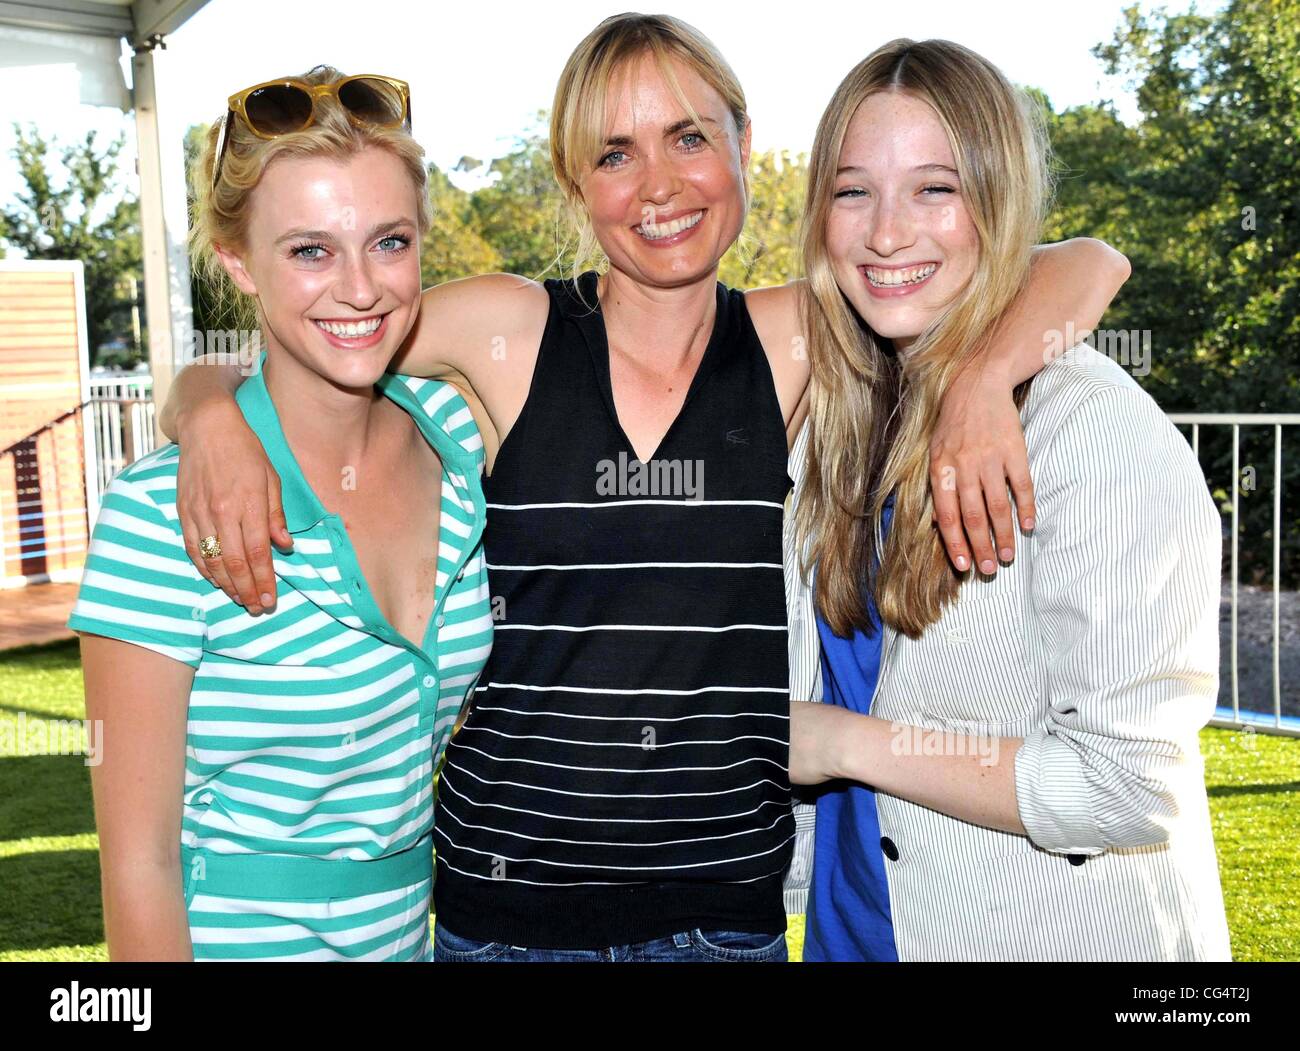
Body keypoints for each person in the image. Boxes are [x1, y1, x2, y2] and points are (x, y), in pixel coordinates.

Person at [158, 15, 1129, 961]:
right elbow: (320, 330)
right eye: (615, 153)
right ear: (574, 179)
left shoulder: (795, 338)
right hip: (506, 918)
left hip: (719, 916)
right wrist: (206, 409)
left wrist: (978, 378)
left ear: (744, 145)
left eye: (690, 138)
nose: (658, 185)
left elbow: (1083, 262)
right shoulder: (509, 329)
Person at [788, 38, 1232, 961]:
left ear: (999, 200)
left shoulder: (1091, 430)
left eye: (935, 188)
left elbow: (1129, 785)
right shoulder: (831, 420)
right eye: (852, 189)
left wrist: (840, 742)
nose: (885, 231)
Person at [70, 67, 493, 961]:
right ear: (237, 261)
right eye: (309, 250)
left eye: (390, 241)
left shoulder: (461, 439)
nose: (360, 288)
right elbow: (137, 866)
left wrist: (202, 398)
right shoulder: (158, 517)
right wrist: (206, 409)